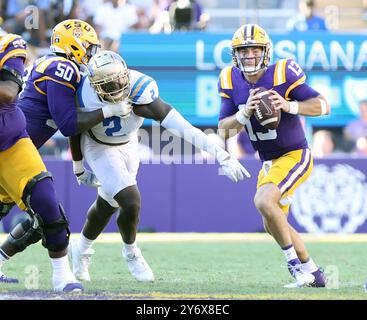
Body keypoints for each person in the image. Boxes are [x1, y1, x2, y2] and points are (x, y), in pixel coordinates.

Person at [68, 50, 250, 283]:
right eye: (107, 84)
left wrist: (220, 154)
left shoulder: (138, 91)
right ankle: (131, 252)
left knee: (108, 203)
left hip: (129, 143)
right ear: (93, 85)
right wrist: (78, 165)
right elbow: (72, 127)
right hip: (98, 146)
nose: (115, 88)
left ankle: (81, 248)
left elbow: (180, 126)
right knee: (130, 198)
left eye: (118, 81)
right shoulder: (83, 94)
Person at [0, 19, 132, 288]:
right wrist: (107, 111)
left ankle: (55, 276)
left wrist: (78, 164)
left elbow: (69, 120)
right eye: (88, 46)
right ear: (74, 43)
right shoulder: (63, 67)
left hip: (14, 149)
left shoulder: (60, 65)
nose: (92, 52)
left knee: (44, 212)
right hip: (12, 146)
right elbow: (69, 123)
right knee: (44, 215)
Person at [218, 24, 330, 288]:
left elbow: (323, 104)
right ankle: (314, 273)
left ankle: (295, 267)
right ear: (235, 55)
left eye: (254, 49)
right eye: (243, 51)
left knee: (264, 200)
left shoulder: (283, 72)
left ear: (265, 52)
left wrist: (288, 104)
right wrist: (244, 113)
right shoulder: (229, 78)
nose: (248, 56)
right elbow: (224, 128)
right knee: (271, 222)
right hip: (268, 162)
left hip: (294, 154)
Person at [0, 32, 83, 292]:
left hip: (9, 142)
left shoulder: (9, 44)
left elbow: (7, 92)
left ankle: (62, 275)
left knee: (45, 198)